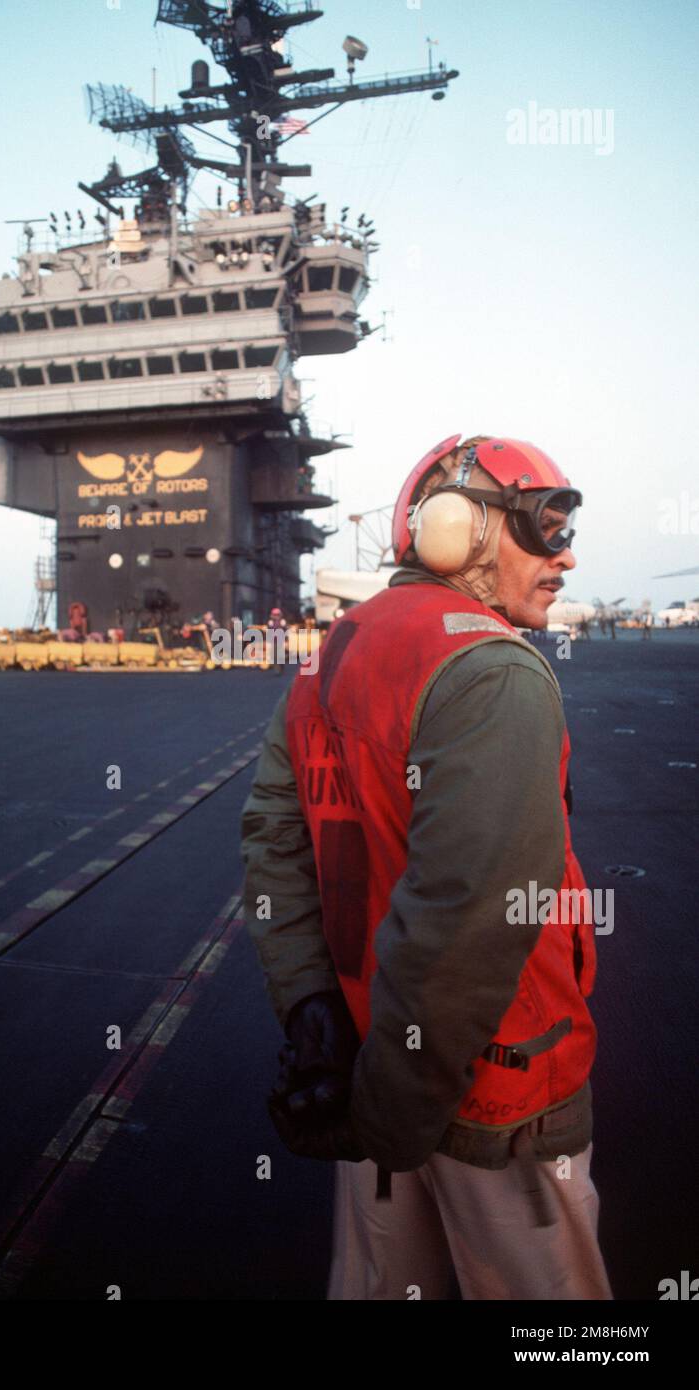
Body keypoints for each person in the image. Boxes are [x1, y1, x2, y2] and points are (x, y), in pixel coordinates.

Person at [241, 434, 612, 1301]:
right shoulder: (493, 671)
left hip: (373, 1074)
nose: (565, 553)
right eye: (542, 523)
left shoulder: (326, 657)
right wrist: (390, 1116)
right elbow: (473, 915)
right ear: (459, 532)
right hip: (497, 1102)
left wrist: (314, 1019)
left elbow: (273, 840)